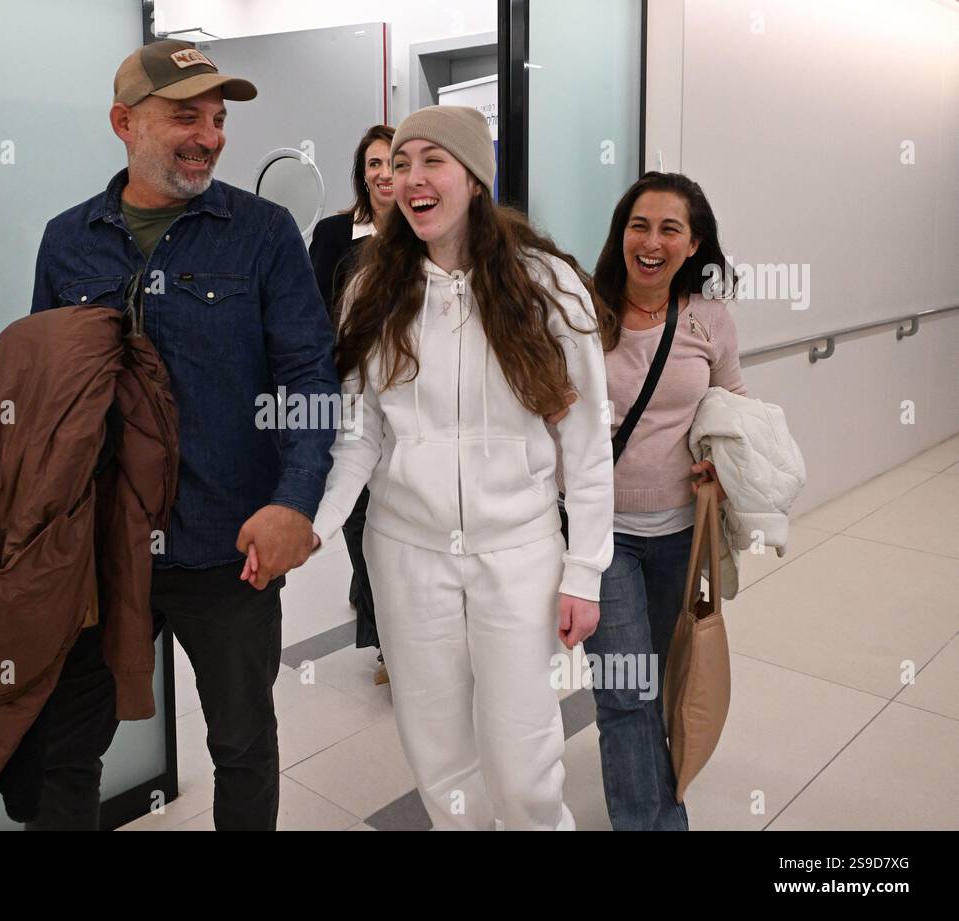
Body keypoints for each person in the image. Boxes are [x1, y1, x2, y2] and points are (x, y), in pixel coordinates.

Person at [23, 39, 339, 831]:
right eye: (185, 115)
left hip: (227, 544)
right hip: (101, 549)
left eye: (218, 117)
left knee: (241, 742)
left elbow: (308, 375)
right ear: (125, 122)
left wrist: (296, 502)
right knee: (64, 748)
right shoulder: (68, 241)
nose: (210, 134)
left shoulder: (262, 233)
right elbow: (45, 390)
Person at [300, 106, 614, 830]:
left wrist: (585, 569)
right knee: (439, 756)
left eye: (432, 161)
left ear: (475, 178)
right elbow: (360, 433)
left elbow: (588, 441)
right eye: (401, 162)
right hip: (406, 554)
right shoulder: (371, 291)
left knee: (522, 756)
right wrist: (315, 526)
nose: (411, 178)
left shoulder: (548, 288)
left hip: (519, 552)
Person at [584, 171, 747, 830]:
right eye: (638, 225)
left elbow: (733, 404)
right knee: (626, 690)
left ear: (693, 243)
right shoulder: (582, 315)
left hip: (682, 532)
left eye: (668, 229)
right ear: (621, 234)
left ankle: (654, 797)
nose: (650, 242)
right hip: (603, 534)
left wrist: (721, 460)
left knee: (661, 680)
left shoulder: (708, 321)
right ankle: (652, 821)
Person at [308, 124, 395, 683]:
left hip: (412, 402)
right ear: (361, 175)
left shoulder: (428, 230)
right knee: (360, 518)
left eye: (395, 163)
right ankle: (387, 641)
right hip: (354, 393)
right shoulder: (338, 232)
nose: (384, 174)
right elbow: (315, 312)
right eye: (374, 165)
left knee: (395, 522)